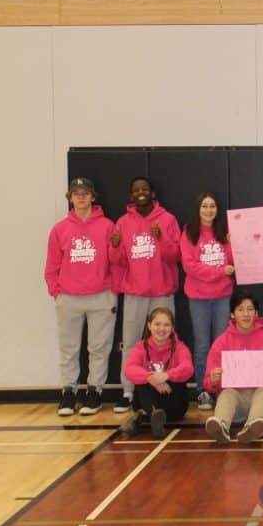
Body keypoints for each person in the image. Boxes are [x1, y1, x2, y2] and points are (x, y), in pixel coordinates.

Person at [45, 177, 118, 416]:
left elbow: (117, 261)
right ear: (70, 198)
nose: (81, 197)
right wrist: (56, 290)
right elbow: (52, 264)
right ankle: (68, 392)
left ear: (93, 197)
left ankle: (94, 391)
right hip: (69, 297)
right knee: (69, 348)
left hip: (101, 296)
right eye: (76, 193)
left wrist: (113, 289)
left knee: (99, 347)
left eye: (85, 193)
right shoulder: (60, 229)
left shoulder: (107, 226)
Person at [112, 177, 181, 413]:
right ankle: (128, 391)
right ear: (132, 195)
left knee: (168, 341)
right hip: (135, 292)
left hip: (162, 291)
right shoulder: (122, 222)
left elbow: (175, 256)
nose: (141, 192)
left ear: (152, 193)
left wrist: (160, 238)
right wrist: (115, 246)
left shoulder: (168, 219)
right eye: (136, 190)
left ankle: (168, 385)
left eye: (145, 189)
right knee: (131, 343)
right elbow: (118, 261)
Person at [203, 290, 263, 444]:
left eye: (250, 309)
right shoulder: (221, 343)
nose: (246, 314)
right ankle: (221, 425)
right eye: (240, 309)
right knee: (227, 393)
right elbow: (208, 384)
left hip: (262, 401)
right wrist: (214, 380)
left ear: (256, 313)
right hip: (236, 403)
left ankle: (252, 426)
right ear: (233, 314)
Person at [180, 192, 235, 411]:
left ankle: (220, 388)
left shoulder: (226, 233)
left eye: (212, 206)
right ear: (198, 209)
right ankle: (203, 390)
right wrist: (220, 271)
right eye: (204, 206)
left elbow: (233, 261)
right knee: (203, 345)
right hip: (198, 298)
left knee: (222, 344)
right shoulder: (188, 233)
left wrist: (232, 246)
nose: (209, 210)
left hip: (222, 296)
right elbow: (190, 266)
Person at [120, 307, 192, 438]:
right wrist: (151, 378)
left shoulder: (180, 347)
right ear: (149, 325)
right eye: (157, 324)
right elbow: (129, 369)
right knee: (141, 380)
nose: (162, 329)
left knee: (176, 379)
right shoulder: (140, 347)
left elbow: (188, 368)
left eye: (166, 325)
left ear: (172, 328)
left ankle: (140, 418)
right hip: (149, 402)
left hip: (174, 405)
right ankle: (153, 414)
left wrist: (166, 376)